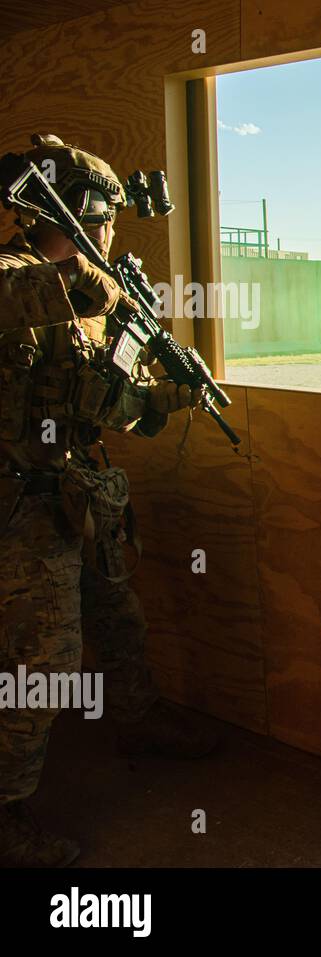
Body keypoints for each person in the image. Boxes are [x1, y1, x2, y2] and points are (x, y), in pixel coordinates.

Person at [0, 134, 218, 867]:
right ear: (71, 215)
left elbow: (98, 398)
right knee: (46, 663)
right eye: (105, 220)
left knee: (119, 617)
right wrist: (83, 285)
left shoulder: (91, 292)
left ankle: (136, 718)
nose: (111, 235)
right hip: (18, 506)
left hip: (72, 488)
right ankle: (4, 810)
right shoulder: (21, 273)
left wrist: (165, 400)